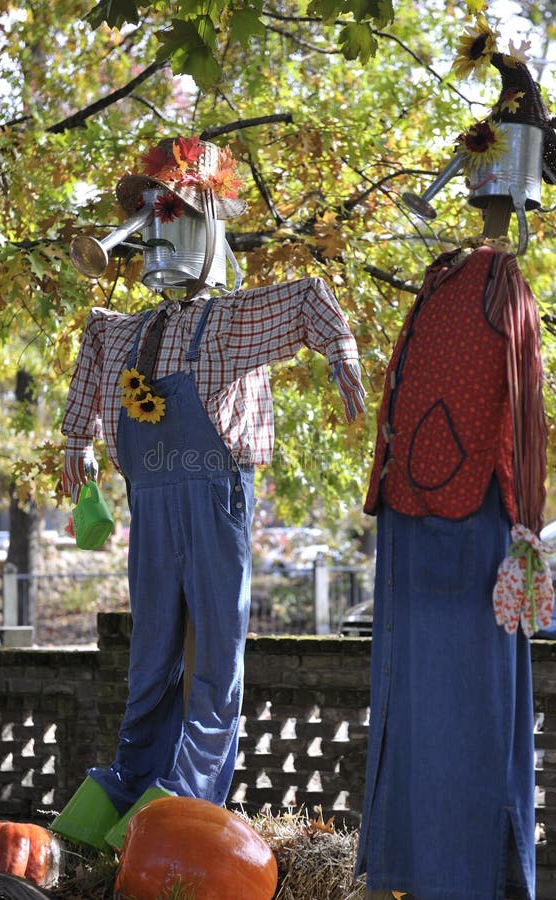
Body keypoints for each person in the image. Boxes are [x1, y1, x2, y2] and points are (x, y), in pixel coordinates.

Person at [51, 135, 366, 850]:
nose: (157, 233)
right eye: (150, 218)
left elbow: (309, 297)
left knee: (216, 655)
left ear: (206, 228)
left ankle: (187, 796)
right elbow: (91, 349)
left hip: (213, 500)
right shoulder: (124, 334)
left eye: (171, 214)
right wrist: (76, 443)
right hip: (153, 506)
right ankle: (127, 785)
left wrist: (341, 352)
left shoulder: (226, 323)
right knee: (150, 653)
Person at [355, 36, 555, 900]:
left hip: (465, 527)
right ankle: (429, 871)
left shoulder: (490, 290)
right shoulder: (458, 283)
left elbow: (523, 415)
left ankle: (465, 874)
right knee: (427, 704)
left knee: (465, 708)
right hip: (429, 527)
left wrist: (524, 529)